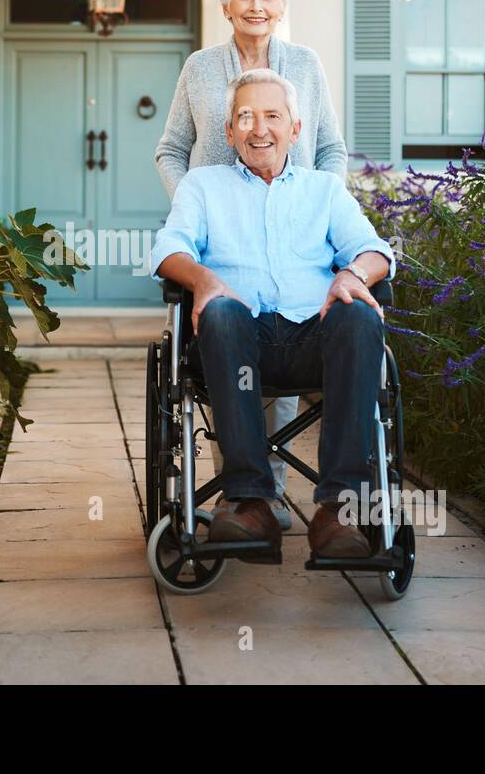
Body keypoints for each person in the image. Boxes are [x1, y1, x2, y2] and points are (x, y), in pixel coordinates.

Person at [147, 69, 394, 561]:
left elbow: (374, 251)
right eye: (246, 117)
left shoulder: (323, 190)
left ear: (296, 130)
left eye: (272, 116)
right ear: (229, 132)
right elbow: (167, 250)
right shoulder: (202, 186)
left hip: (313, 343)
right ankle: (249, 500)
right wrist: (203, 281)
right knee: (219, 311)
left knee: (360, 316)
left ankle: (339, 508)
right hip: (234, 343)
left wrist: (354, 276)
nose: (260, 129)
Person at [153, 0, 348, 530]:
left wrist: (315, 203)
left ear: (282, 5)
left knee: (285, 331)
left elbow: (332, 149)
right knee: (225, 347)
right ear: (226, 6)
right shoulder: (200, 67)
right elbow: (171, 148)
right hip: (220, 237)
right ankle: (240, 496)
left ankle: (274, 494)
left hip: (294, 235)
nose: (256, 7)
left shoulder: (306, 66)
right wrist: (195, 201)